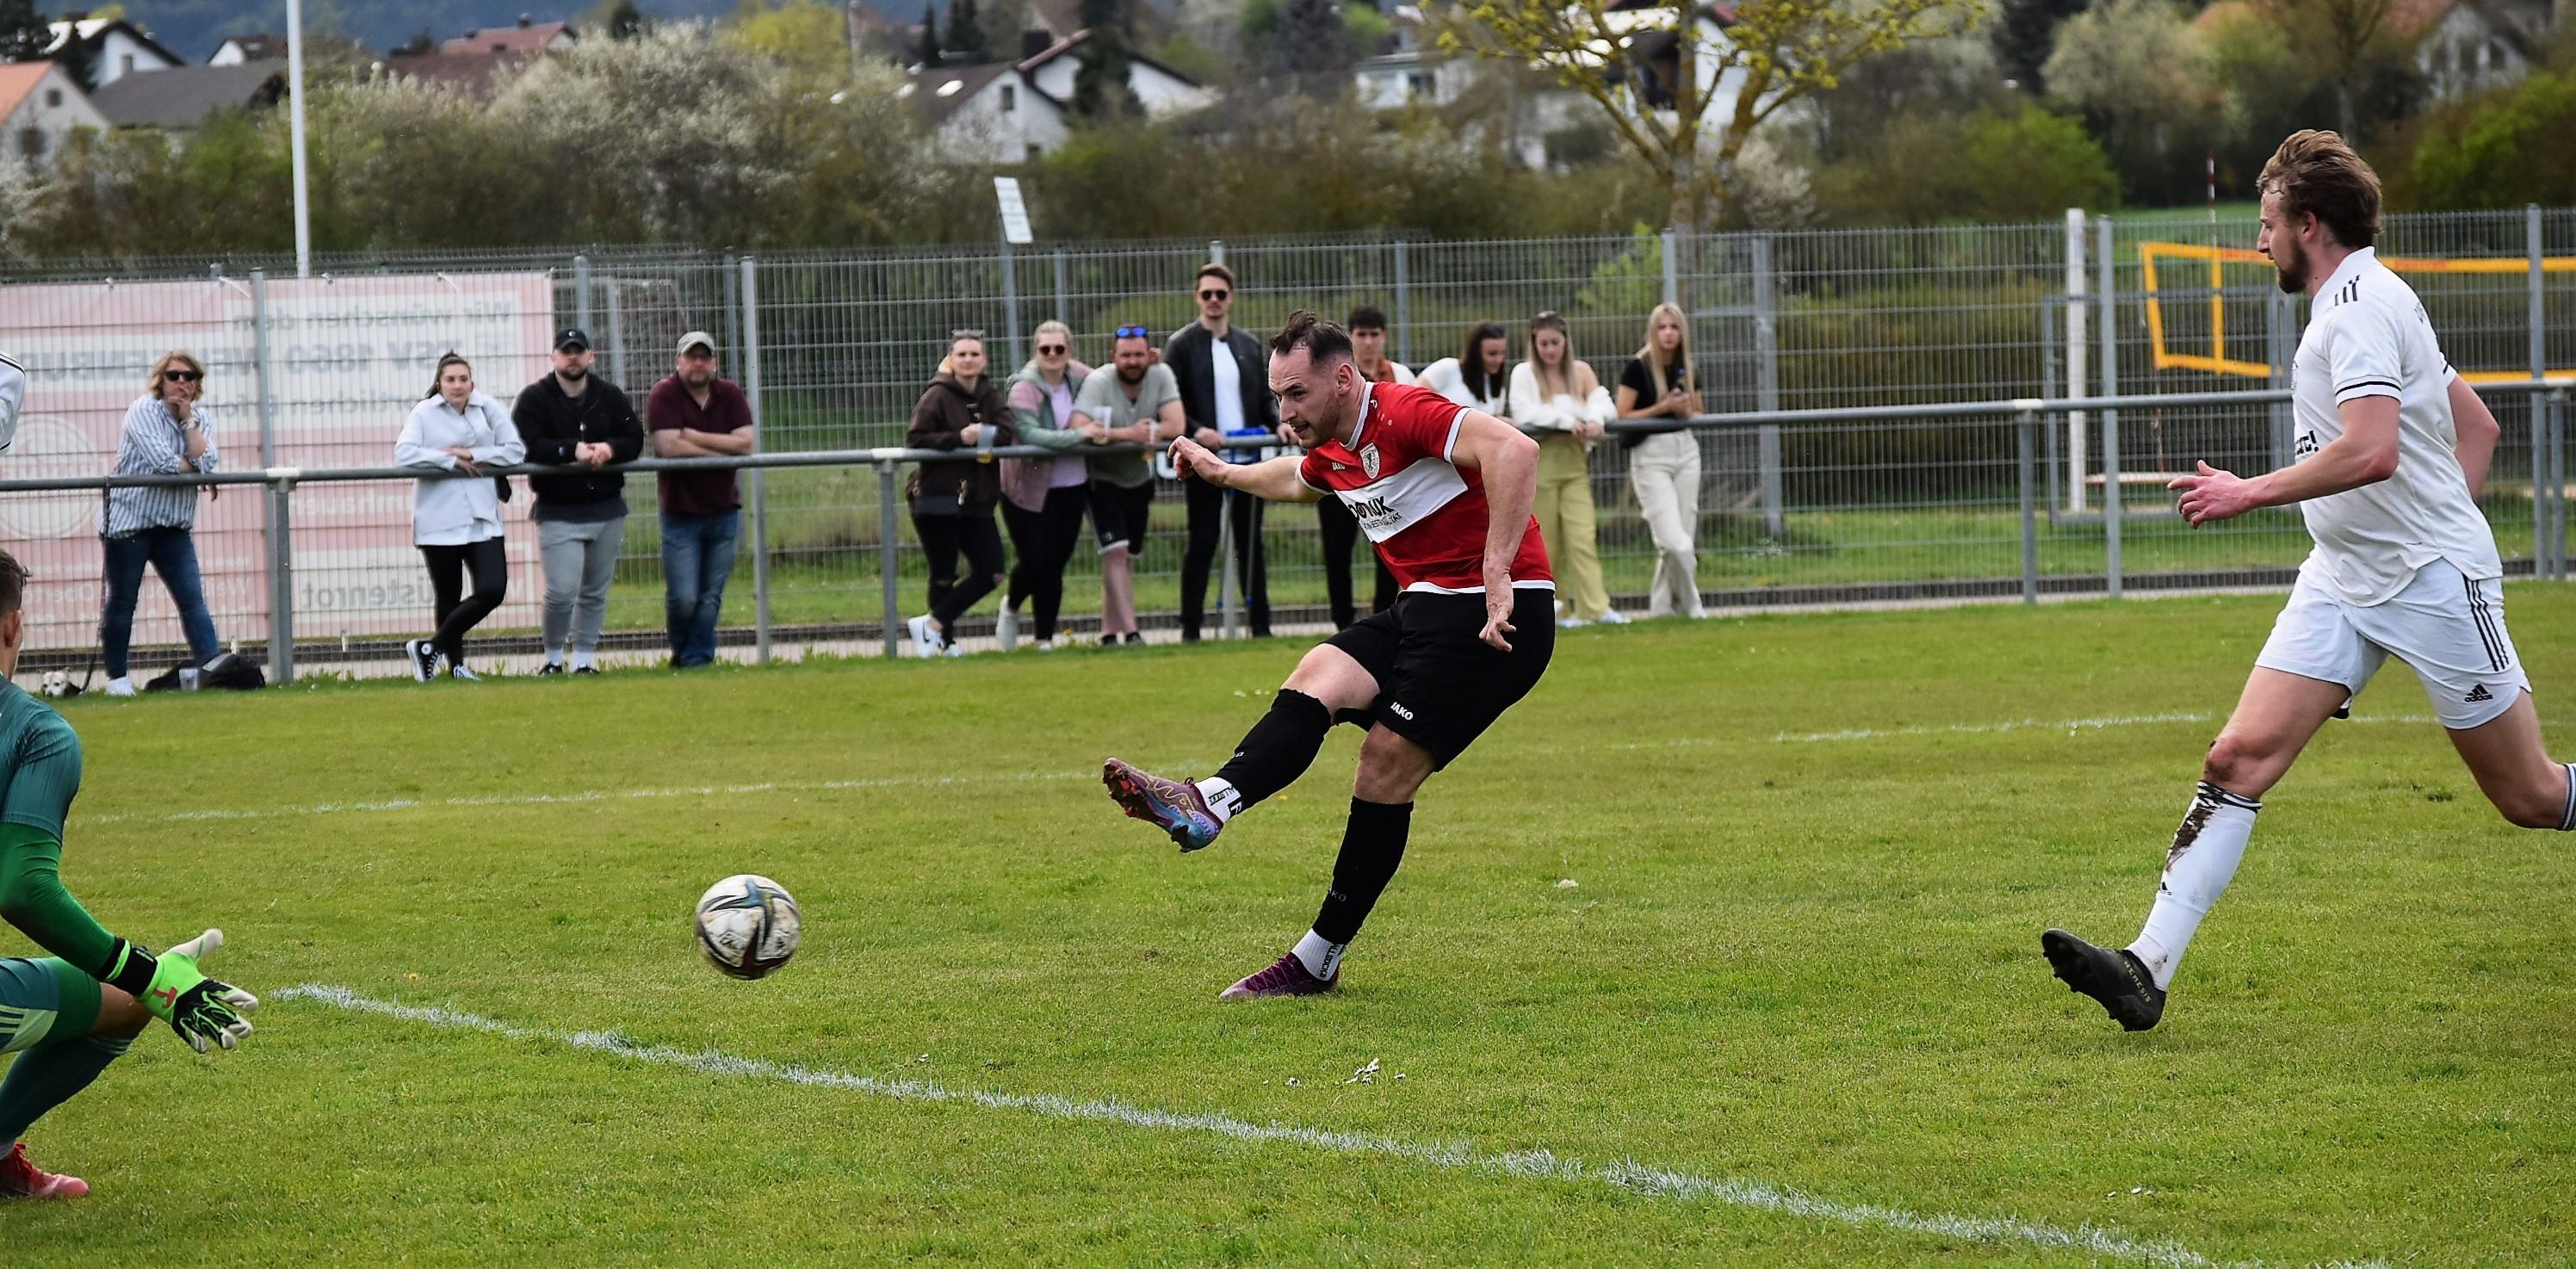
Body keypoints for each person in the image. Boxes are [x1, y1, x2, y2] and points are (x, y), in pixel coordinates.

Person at [2042, 130, 2576, 1032]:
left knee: (2528, 796)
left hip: (2427, 583)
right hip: (2343, 578)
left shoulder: (2360, 308)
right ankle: (2144, 969)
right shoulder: (2365, 299)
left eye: (2268, 224)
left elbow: (2372, 450)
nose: (2259, 242)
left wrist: (2265, 495)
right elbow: (2476, 429)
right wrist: (2417, 524)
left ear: (2309, 224)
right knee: (2234, 760)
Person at [1102, 312, 1554, 999]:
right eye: (1277, 396)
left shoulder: (1404, 411)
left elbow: (1515, 451)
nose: (1284, 412)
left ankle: (1316, 960)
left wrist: (1496, 570)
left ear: (1344, 379)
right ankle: (1208, 803)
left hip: (1498, 614)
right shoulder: (1337, 444)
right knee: (1319, 673)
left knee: (1383, 766)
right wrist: (1223, 472)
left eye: (1295, 395)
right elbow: (1297, 479)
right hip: (1423, 607)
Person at [0, 548, 257, 1199]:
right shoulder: (37, 733)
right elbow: (24, 886)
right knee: (127, 1002)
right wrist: (150, 975)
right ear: (13, 626)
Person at [511, 328, 644, 676]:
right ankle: (553, 659)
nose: (573, 357)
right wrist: (572, 450)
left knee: (594, 592)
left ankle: (585, 660)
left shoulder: (610, 396)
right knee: (561, 592)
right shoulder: (534, 399)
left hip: (606, 508)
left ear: (591, 356)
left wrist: (609, 449)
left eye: (578, 351)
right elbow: (527, 444)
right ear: (553, 357)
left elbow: (634, 436)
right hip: (558, 510)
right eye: (565, 351)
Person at [97, 350, 223, 697]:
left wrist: (187, 423)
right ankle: (118, 681)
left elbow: (210, 461)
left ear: (197, 384)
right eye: (174, 376)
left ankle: (213, 673)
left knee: (192, 600)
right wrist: (195, 466)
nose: (181, 382)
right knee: (123, 602)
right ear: (160, 380)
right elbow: (164, 465)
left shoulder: (200, 419)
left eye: (189, 376)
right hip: (129, 524)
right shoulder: (142, 410)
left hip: (172, 526)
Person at [395, 352, 525, 683]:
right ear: (440, 383)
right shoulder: (424, 412)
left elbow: (514, 450)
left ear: (472, 382)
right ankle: (455, 666)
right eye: (450, 380)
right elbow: (405, 454)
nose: (457, 385)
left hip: (482, 516)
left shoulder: (487, 407)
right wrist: (448, 461)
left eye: (463, 379)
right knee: (448, 595)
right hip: (439, 519)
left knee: (493, 589)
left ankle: (430, 647)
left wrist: (473, 454)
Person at [1163, 263, 1275, 641]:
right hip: (1201, 462)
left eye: (1221, 294)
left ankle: (1261, 626)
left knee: (1251, 544)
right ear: (1197, 297)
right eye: (1207, 294)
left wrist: (1279, 422)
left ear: (1231, 297)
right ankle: (1190, 629)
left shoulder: (1248, 344)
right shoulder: (1180, 345)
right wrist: (1196, 431)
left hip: (1246, 459)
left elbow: (1263, 397)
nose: (1214, 301)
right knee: (1203, 540)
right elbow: (1171, 401)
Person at [645, 331, 756, 669]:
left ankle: (697, 660)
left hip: (724, 510)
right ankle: (683, 652)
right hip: (681, 512)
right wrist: (722, 444)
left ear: (714, 363)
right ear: (678, 362)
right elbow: (667, 447)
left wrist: (693, 437)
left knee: (710, 596)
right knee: (684, 597)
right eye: (691, 357)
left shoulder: (730, 394)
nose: (698, 363)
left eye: (704, 357)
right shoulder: (664, 394)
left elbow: (746, 442)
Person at [905, 331, 1017, 658]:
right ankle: (943, 643)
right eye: (962, 354)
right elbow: (916, 439)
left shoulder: (989, 396)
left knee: (992, 570)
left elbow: (1009, 431)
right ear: (951, 359)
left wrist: (987, 435)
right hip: (939, 497)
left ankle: (932, 624)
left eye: (974, 354)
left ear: (985, 359)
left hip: (978, 499)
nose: (968, 360)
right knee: (943, 574)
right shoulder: (936, 395)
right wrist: (958, 438)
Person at [1073, 325, 1186, 646]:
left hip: (1139, 478)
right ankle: (1133, 632)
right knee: (1116, 552)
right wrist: (1131, 434)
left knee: (1124, 555)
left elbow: (1176, 424)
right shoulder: (1099, 381)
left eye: (1139, 355)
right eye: (1126, 355)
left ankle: (1109, 634)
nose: (1133, 361)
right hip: (1102, 478)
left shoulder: (1161, 375)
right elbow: (1079, 426)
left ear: (1149, 356)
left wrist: (1122, 434)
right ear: (1113, 357)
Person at [1510, 312, 1622, 628]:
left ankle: (1595, 608)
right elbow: (1525, 413)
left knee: (1583, 535)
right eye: (1543, 343)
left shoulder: (1581, 371)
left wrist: (1595, 423)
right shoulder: (1524, 373)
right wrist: (1567, 422)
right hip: (1541, 466)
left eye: (1555, 343)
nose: (1549, 350)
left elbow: (1603, 403)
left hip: (1574, 467)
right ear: (1534, 343)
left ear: (1565, 341)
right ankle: (1551, 611)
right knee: (1546, 542)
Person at [1303, 306, 1409, 628]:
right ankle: (1342, 624)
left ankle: (1384, 620)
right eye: (1361, 334)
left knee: (1389, 552)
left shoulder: (1400, 376)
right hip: (1337, 475)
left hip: (1383, 480)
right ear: (1351, 338)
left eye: (1374, 334)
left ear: (1384, 337)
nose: (1368, 342)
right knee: (1337, 553)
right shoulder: (1328, 380)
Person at [1000, 321, 1094, 651]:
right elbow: (1030, 435)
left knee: (1056, 562)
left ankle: (1043, 639)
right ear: (1035, 351)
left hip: (1072, 485)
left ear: (1069, 351)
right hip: (1026, 489)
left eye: (1059, 349)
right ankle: (1011, 606)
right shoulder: (1024, 387)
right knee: (1036, 560)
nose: (1052, 355)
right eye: (1045, 349)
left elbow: (1110, 381)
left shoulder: (1082, 376)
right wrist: (1081, 436)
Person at [1615, 302, 1709, 620]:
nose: (1669, 333)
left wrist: (1684, 410)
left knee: (1685, 532)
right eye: (1662, 327)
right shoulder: (1637, 367)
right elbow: (1622, 416)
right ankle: (1693, 606)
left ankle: (1660, 610)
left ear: (1683, 331)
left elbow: (1699, 412)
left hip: (1685, 451)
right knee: (1674, 544)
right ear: (1653, 331)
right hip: (1650, 455)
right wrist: (1663, 407)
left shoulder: (1688, 367)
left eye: (1674, 327)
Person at [1415, 323, 1513, 418]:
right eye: (1492, 354)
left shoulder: (1496, 385)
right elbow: (1414, 398)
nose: (1499, 360)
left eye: (1503, 353)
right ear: (1475, 353)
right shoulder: (1448, 367)